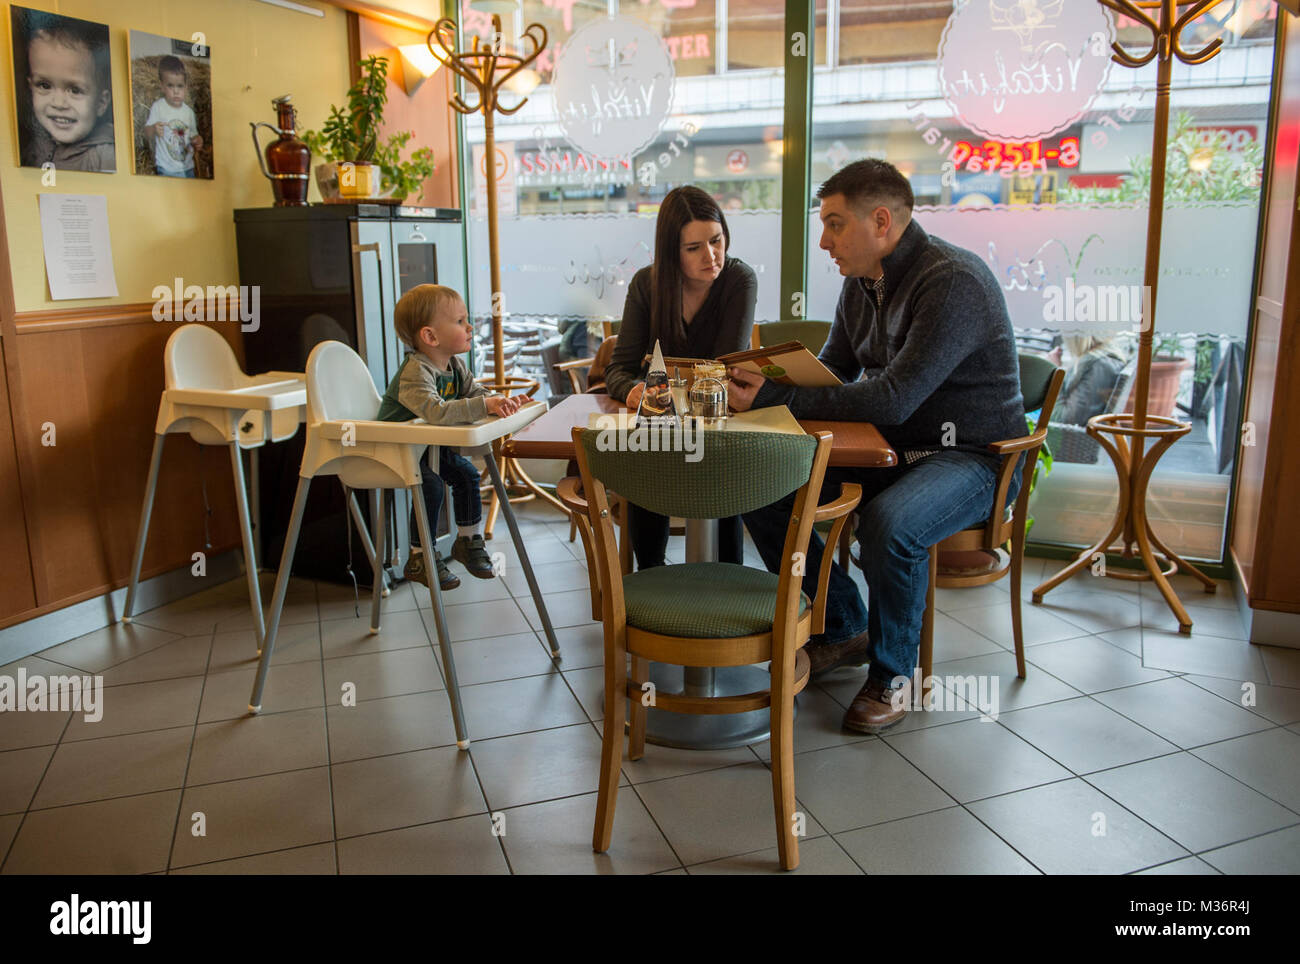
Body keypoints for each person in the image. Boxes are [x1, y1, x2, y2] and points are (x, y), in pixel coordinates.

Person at [727, 158, 1026, 734]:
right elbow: (836, 372)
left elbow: (892, 399)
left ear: (882, 222)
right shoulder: (860, 284)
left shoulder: (951, 282)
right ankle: (842, 626)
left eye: (835, 225)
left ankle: (894, 675)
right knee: (761, 488)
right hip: (889, 451)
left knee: (891, 524)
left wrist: (777, 398)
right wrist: (770, 377)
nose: (824, 241)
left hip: (975, 456)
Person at [604, 185, 758, 569]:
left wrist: (666, 386)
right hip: (660, 426)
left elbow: (721, 372)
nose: (711, 256)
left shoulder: (738, 280)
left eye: (717, 240)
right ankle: (651, 577)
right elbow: (617, 370)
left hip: (717, 427)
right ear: (672, 251)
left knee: (723, 470)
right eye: (694, 248)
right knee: (646, 455)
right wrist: (635, 391)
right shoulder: (647, 284)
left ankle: (725, 586)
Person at [376, 284, 524, 591]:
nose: (470, 327)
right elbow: (437, 412)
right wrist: (483, 404)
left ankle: (468, 542)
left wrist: (496, 401)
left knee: (467, 474)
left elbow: (475, 393)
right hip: (395, 449)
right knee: (430, 484)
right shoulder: (416, 372)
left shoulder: (455, 366)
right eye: (460, 321)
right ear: (430, 337)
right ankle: (420, 556)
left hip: (425, 447)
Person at [19, 16, 115, 172]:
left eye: (75, 90)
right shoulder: (35, 144)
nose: (58, 103)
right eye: (44, 85)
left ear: (101, 103)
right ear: (30, 87)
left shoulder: (105, 156)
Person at [144, 55, 203, 178]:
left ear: (186, 87)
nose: (176, 91)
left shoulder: (189, 112)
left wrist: (198, 140)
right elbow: (146, 133)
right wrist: (154, 129)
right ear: (162, 86)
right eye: (170, 86)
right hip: (166, 168)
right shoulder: (158, 107)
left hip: (187, 168)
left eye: (180, 86)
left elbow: (194, 136)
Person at [1053, 335, 1126, 425]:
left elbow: (1064, 421)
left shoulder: (1099, 365)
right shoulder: (1102, 358)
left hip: (1073, 436)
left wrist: (1055, 374)